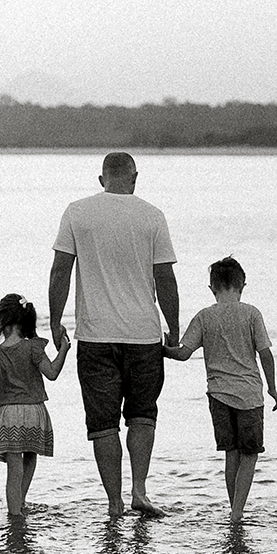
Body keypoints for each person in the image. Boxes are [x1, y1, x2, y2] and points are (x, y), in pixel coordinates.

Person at [49, 151, 179, 518]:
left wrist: (55, 320)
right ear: (134, 178)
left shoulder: (77, 211)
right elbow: (165, 278)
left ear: (101, 178)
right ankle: (139, 490)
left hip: (95, 337)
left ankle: (114, 502)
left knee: (103, 424)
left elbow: (60, 270)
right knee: (142, 416)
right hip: (144, 336)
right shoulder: (152, 216)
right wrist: (174, 326)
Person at [163, 256, 277, 523]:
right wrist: (273, 388)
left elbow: (182, 354)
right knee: (250, 454)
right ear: (242, 285)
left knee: (231, 453)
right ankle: (238, 511)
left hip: (217, 395)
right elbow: (265, 354)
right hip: (249, 395)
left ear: (212, 288)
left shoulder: (205, 317)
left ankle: (234, 509)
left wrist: (160, 350)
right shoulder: (251, 313)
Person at [0, 293, 71, 516]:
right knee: (30, 457)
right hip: (35, 412)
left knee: (14, 467)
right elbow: (51, 373)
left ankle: (14, 513)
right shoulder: (33, 348)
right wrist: (64, 350)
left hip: (9, 413)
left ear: (2, 321)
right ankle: (20, 503)